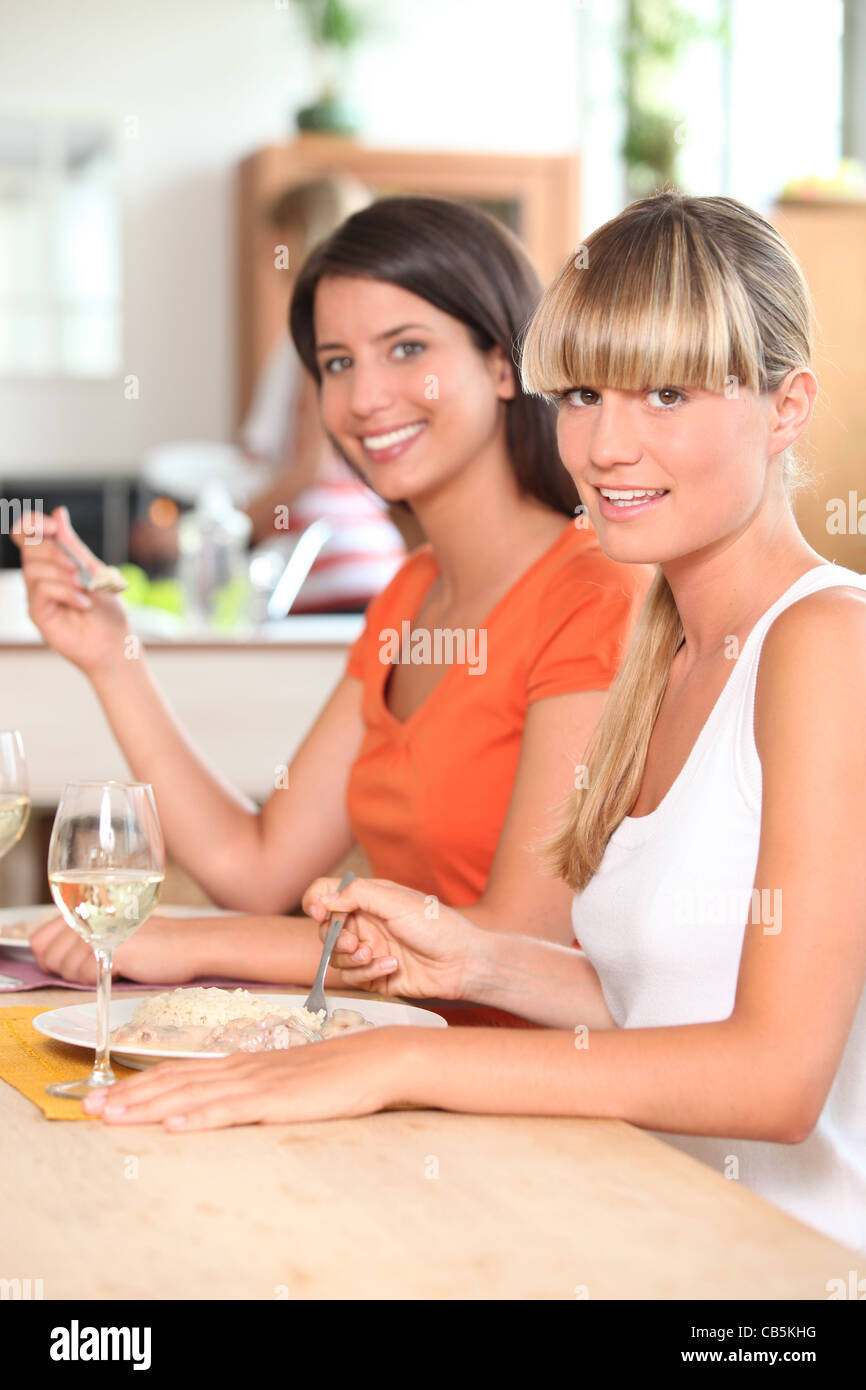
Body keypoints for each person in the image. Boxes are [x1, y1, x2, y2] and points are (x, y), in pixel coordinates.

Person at [83, 190, 866, 1256]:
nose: (607, 444)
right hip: (635, 1217)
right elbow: (649, 998)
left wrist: (400, 1058)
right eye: (585, 392)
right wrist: (470, 964)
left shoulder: (825, 640)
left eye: (668, 395)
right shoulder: (663, 649)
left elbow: (775, 1077)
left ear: (786, 409)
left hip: (777, 1266)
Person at [16, 196, 650, 1003]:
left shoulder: (591, 592)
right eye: (338, 363)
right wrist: (112, 657)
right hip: (397, 1059)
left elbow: (505, 944)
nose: (364, 398)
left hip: (517, 1090)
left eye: (406, 349)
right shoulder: (410, 595)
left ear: (504, 364)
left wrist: (190, 939)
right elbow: (255, 866)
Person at [239, 174, 410, 610]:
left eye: (275, 234)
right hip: (368, 558)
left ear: (298, 236)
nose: (265, 250)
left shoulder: (320, 332)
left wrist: (231, 526)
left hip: (329, 562)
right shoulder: (335, 329)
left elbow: (311, 466)